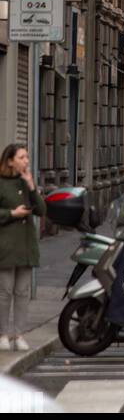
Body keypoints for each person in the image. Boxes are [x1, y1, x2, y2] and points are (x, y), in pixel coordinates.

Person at [0, 144, 46, 352]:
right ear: (10, 161)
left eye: (27, 157)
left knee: (22, 293)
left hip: (26, 247)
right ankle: (2, 334)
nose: (26, 161)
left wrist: (31, 185)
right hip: (6, 247)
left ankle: (18, 334)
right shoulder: (1, 183)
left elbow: (41, 210)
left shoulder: (26, 182)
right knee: (4, 292)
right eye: (22, 157)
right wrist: (11, 214)